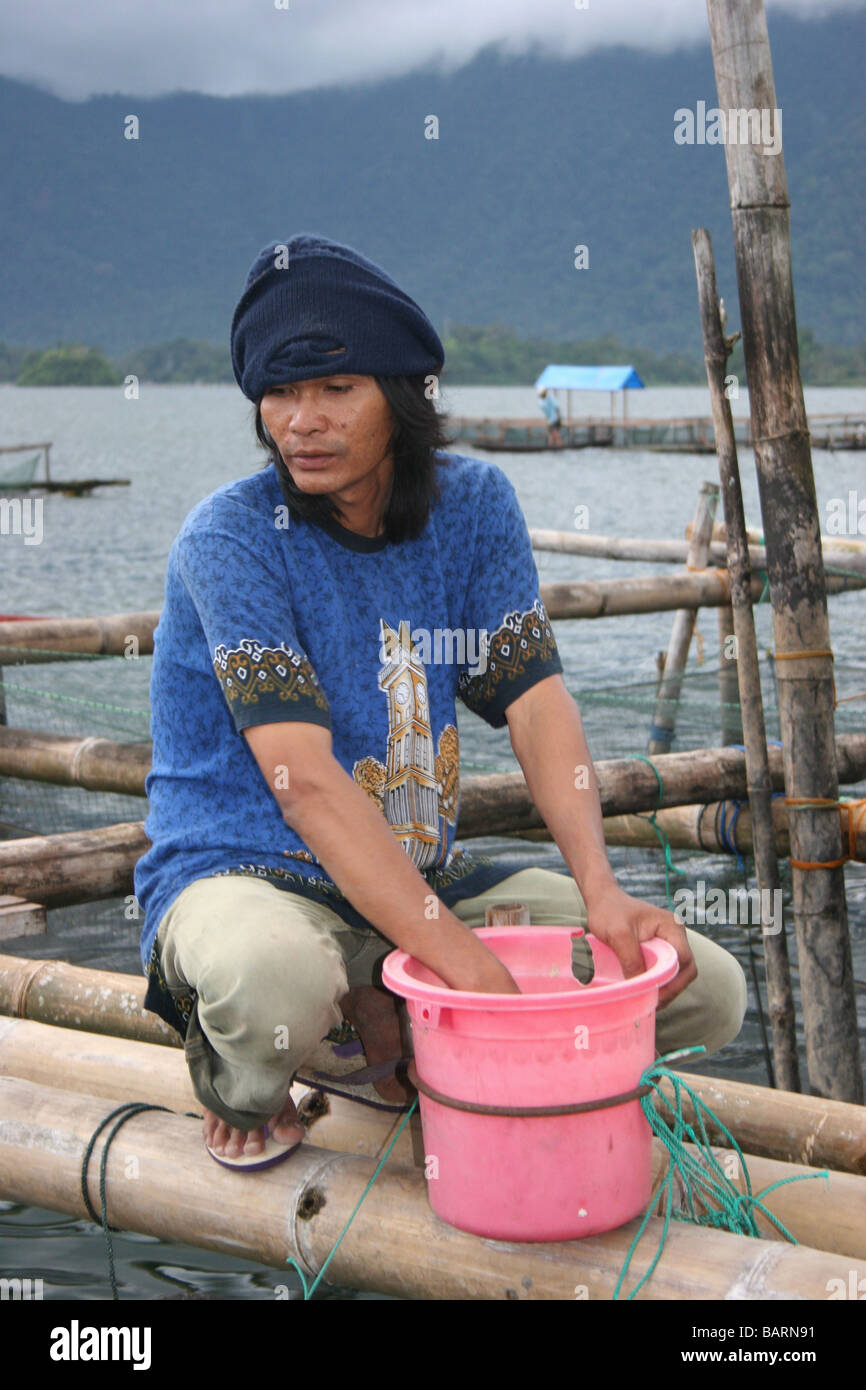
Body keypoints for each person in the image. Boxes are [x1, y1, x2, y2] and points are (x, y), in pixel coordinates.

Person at [134, 234, 746, 1170]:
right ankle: (273, 1060)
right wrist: (462, 965)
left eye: (336, 390)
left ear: (406, 396)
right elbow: (303, 784)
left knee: (703, 987)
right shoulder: (232, 537)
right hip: (246, 875)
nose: (302, 420)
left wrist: (602, 891)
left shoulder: (472, 505)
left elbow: (538, 704)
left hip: (416, 877)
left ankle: (387, 1025)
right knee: (272, 990)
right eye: (281, 393)